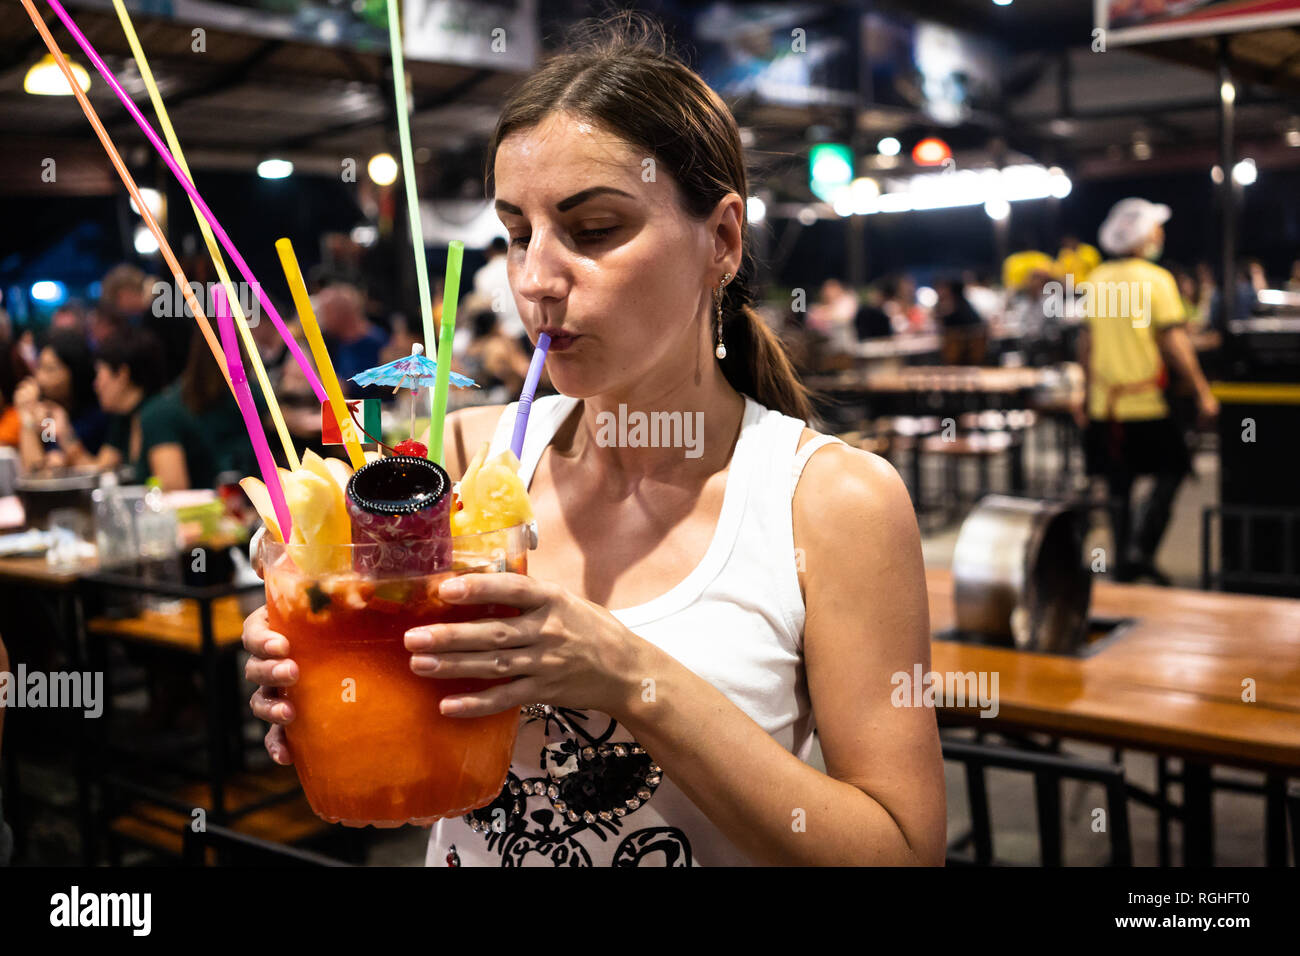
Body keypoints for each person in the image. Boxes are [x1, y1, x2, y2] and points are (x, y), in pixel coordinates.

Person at [241, 13, 945, 867]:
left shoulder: (831, 504)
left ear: (721, 239)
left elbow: (903, 853)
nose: (535, 279)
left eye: (595, 230)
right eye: (516, 234)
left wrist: (623, 675)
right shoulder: (466, 463)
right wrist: (329, 686)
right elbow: (412, 781)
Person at [1075, 197, 1219, 584]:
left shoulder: (1096, 281)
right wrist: (1203, 391)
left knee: (1117, 486)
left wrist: (1085, 395)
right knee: (1173, 473)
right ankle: (1142, 550)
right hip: (1148, 403)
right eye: (1157, 229)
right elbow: (1174, 344)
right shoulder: (1156, 280)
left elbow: (1085, 346)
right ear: (1142, 235)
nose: (1161, 235)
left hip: (1107, 405)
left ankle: (1123, 561)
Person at [14, 328, 108, 471]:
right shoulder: (48, 413)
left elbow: (101, 471)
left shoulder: (101, 412)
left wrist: (65, 436)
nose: (40, 378)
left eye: (50, 369)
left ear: (75, 371)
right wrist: (27, 418)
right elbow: (36, 471)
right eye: (39, 367)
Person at [316, 284, 390, 400]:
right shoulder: (332, 341)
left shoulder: (377, 342)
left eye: (326, 313)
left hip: (370, 411)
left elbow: (378, 384)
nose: (321, 319)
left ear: (341, 313)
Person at [473, 236, 528, 346]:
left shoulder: (483, 275)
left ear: (489, 252)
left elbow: (486, 308)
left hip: (501, 336)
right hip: (526, 330)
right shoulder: (522, 269)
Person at [934, 278, 987, 365]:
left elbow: (944, 332)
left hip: (957, 359)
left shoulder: (952, 311)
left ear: (950, 291)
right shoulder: (967, 306)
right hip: (976, 359)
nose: (939, 292)